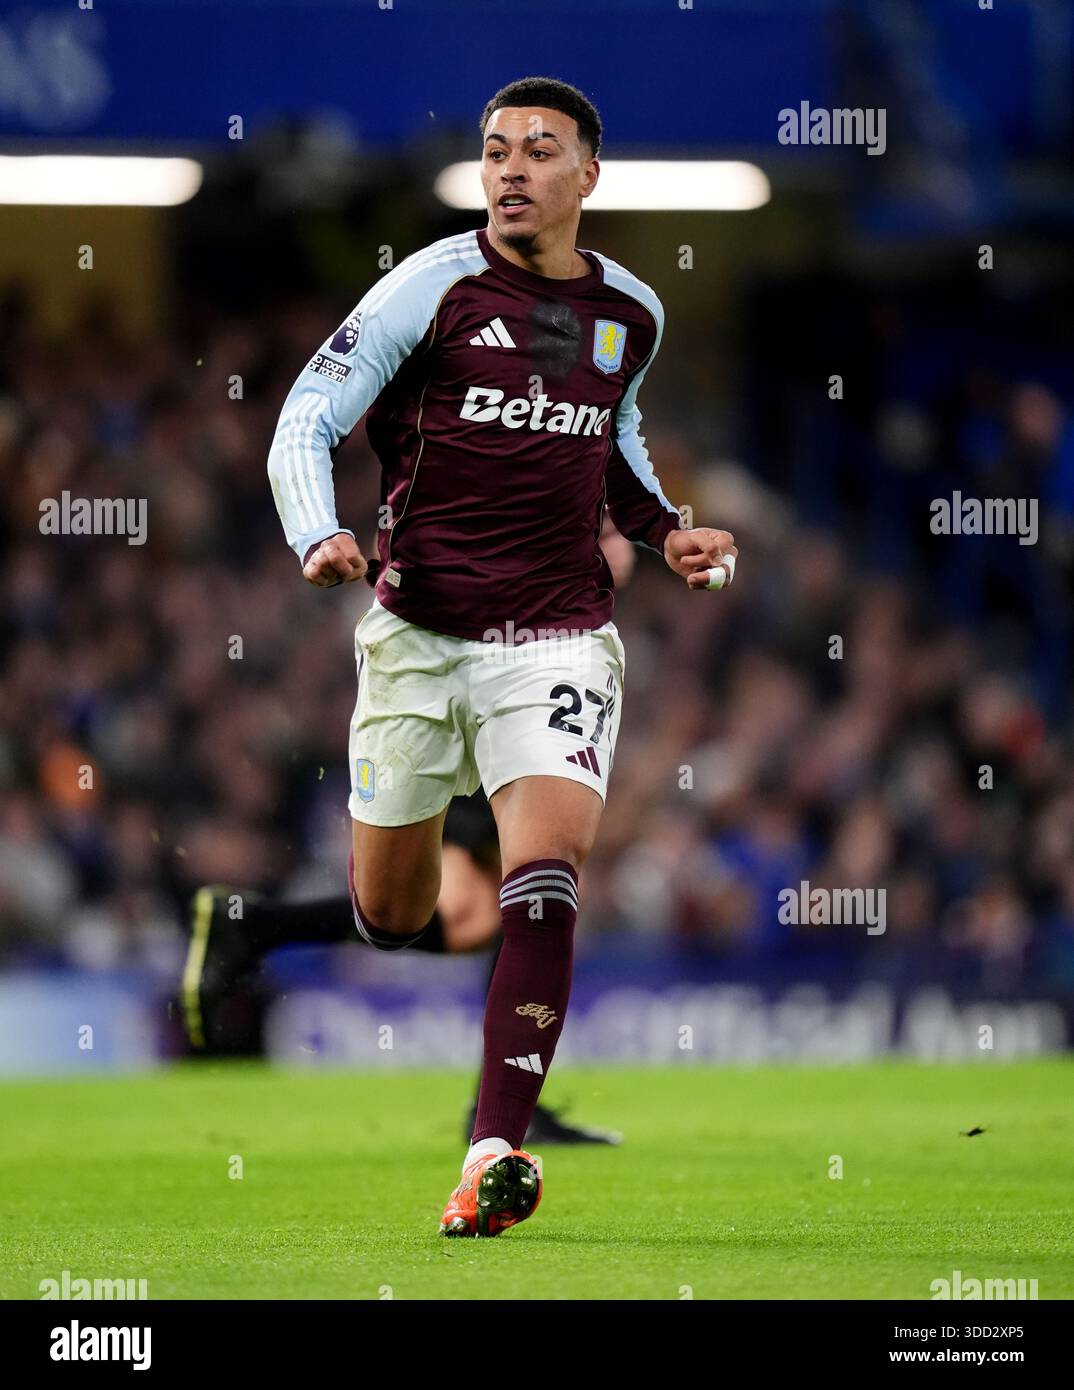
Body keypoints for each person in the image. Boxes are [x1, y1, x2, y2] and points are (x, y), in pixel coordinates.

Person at [220, 75, 736, 1238]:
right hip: (417, 639)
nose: (510, 169)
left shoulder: (631, 314)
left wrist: (668, 531)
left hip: (555, 638)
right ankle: (344, 942)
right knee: (396, 914)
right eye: (495, 151)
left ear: (587, 177)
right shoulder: (434, 285)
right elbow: (309, 409)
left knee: (541, 879)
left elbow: (615, 442)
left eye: (537, 152)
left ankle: (492, 1148)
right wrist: (320, 529)